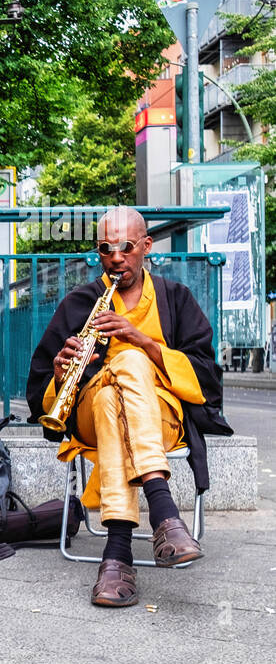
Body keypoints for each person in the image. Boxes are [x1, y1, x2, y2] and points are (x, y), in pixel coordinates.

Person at [27, 207, 220, 608]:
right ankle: (164, 513)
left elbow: (207, 378)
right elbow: (39, 389)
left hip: (161, 418)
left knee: (127, 370)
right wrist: (62, 372)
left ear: (146, 246)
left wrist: (142, 340)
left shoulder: (175, 299)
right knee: (118, 378)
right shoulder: (81, 303)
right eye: (105, 249)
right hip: (88, 418)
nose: (116, 258)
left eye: (126, 247)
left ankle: (117, 554)